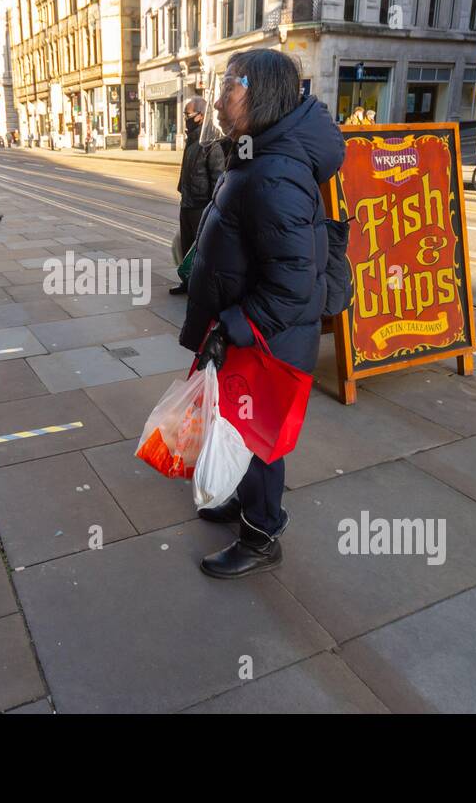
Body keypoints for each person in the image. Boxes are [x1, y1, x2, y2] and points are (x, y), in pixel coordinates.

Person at [179, 49, 346, 579]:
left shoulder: (274, 172)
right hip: (249, 332)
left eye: (231, 82)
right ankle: (242, 504)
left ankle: (261, 535)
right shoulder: (255, 155)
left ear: (262, 92)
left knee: (258, 438)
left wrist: (233, 326)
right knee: (237, 428)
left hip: (264, 339)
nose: (222, 94)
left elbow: (293, 284)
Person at [171, 95, 227, 295]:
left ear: (200, 116)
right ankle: (187, 283)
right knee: (186, 247)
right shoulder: (192, 140)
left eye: (188, 114)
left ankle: (201, 288)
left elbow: (218, 178)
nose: (185, 117)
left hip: (201, 206)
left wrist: (213, 208)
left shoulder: (210, 143)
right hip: (187, 202)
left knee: (201, 250)